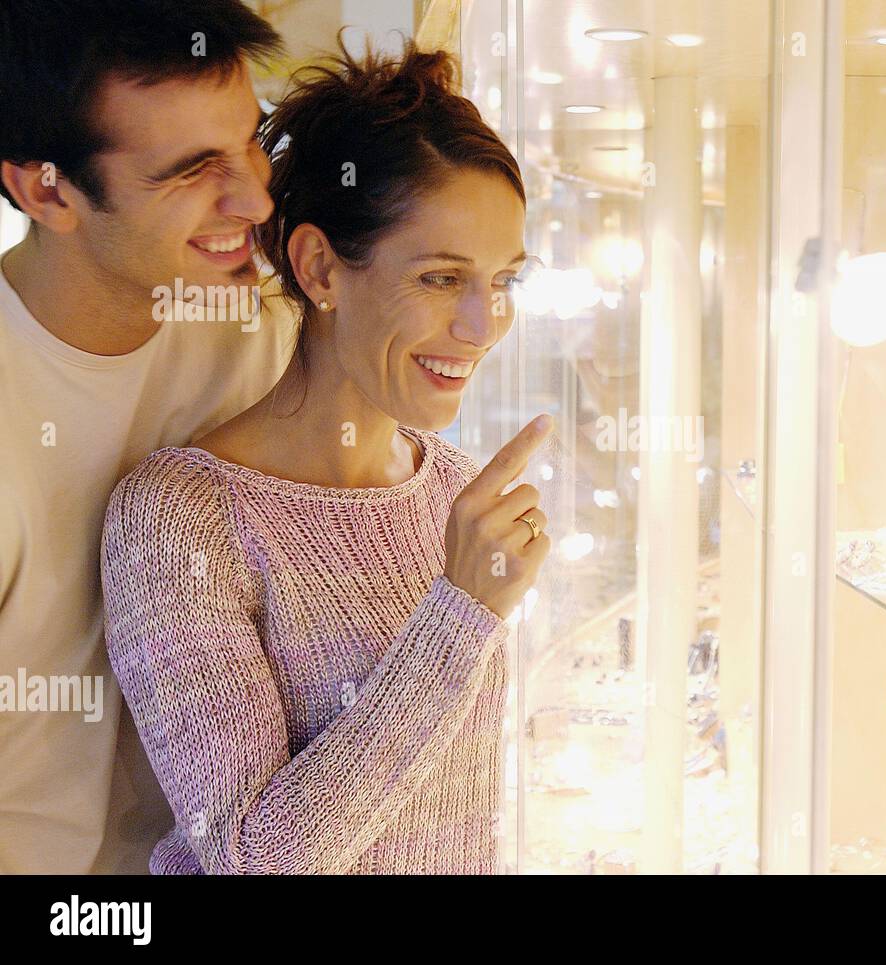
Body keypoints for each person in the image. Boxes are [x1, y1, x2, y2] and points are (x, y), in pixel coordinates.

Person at [99, 39, 553, 874]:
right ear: (319, 267)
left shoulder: (451, 490)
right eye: (442, 278)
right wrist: (459, 614)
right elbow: (247, 860)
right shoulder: (183, 518)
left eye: (504, 281)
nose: (483, 325)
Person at [0, 0, 295, 873]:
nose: (253, 194)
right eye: (192, 168)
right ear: (46, 189)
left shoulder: (269, 328)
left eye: (252, 137)